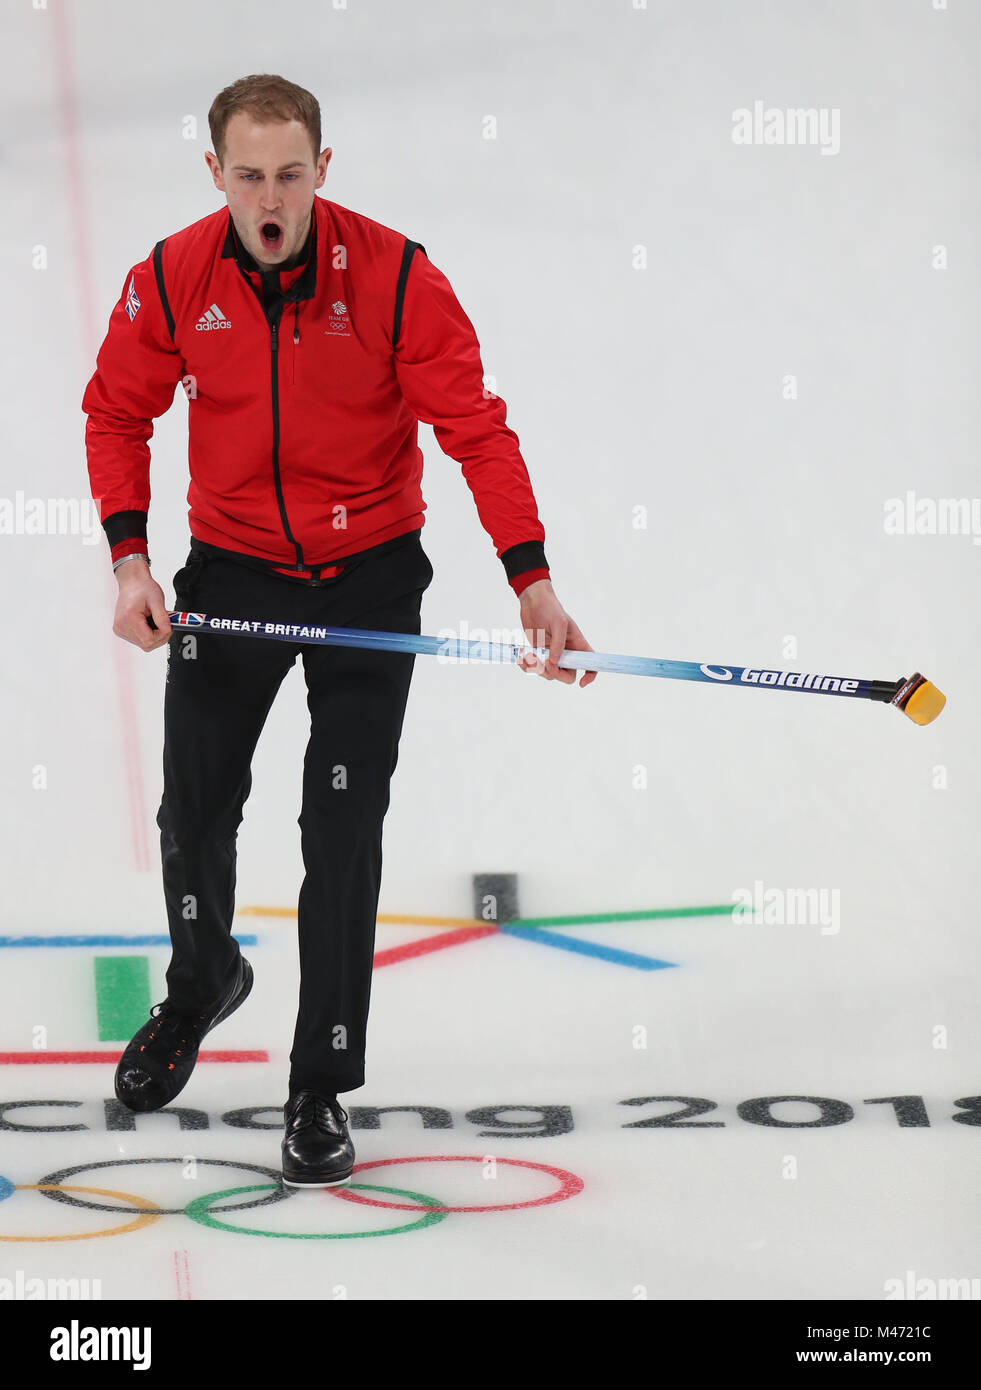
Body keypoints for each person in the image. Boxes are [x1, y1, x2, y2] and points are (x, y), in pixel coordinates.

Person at [83, 73, 595, 1187]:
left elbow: (476, 428)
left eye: (292, 174)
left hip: (365, 580)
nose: (271, 200)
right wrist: (130, 562)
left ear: (325, 170)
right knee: (196, 806)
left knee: (343, 826)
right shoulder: (172, 277)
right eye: (250, 176)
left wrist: (531, 576)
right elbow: (117, 408)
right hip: (232, 572)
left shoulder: (397, 277)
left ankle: (318, 1081)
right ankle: (201, 981)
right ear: (215, 174)